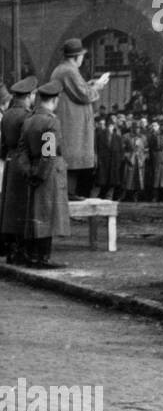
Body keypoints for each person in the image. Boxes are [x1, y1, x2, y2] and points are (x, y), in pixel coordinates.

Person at [10, 81, 71, 269]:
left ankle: (33, 254)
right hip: (49, 174)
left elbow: (22, 151)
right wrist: (40, 175)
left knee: (36, 213)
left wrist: (28, 171)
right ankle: (42, 257)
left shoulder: (29, 121)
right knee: (48, 215)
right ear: (54, 99)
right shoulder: (50, 122)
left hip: (33, 170)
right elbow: (49, 153)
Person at [48, 37, 108, 199]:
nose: (83, 59)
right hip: (72, 124)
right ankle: (69, 193)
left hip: (70, 122)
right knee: (71, 160)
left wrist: (90, 84)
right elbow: (83, 94)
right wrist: (98, 86)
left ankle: (70, 193)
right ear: (76, 57)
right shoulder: (69, 71)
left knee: (71, 159)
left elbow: (78, 89)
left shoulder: (64, 70)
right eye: (82, 56)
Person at [0, 76, 38, 262]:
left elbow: (3, 145)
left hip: (9, 162)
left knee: (10, 207)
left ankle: (11, 248)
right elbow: (29, 143)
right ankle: (22, 250)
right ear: (29, 96)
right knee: (24, 207)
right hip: (23, 162)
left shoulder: (6, 115)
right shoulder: (27, 116)